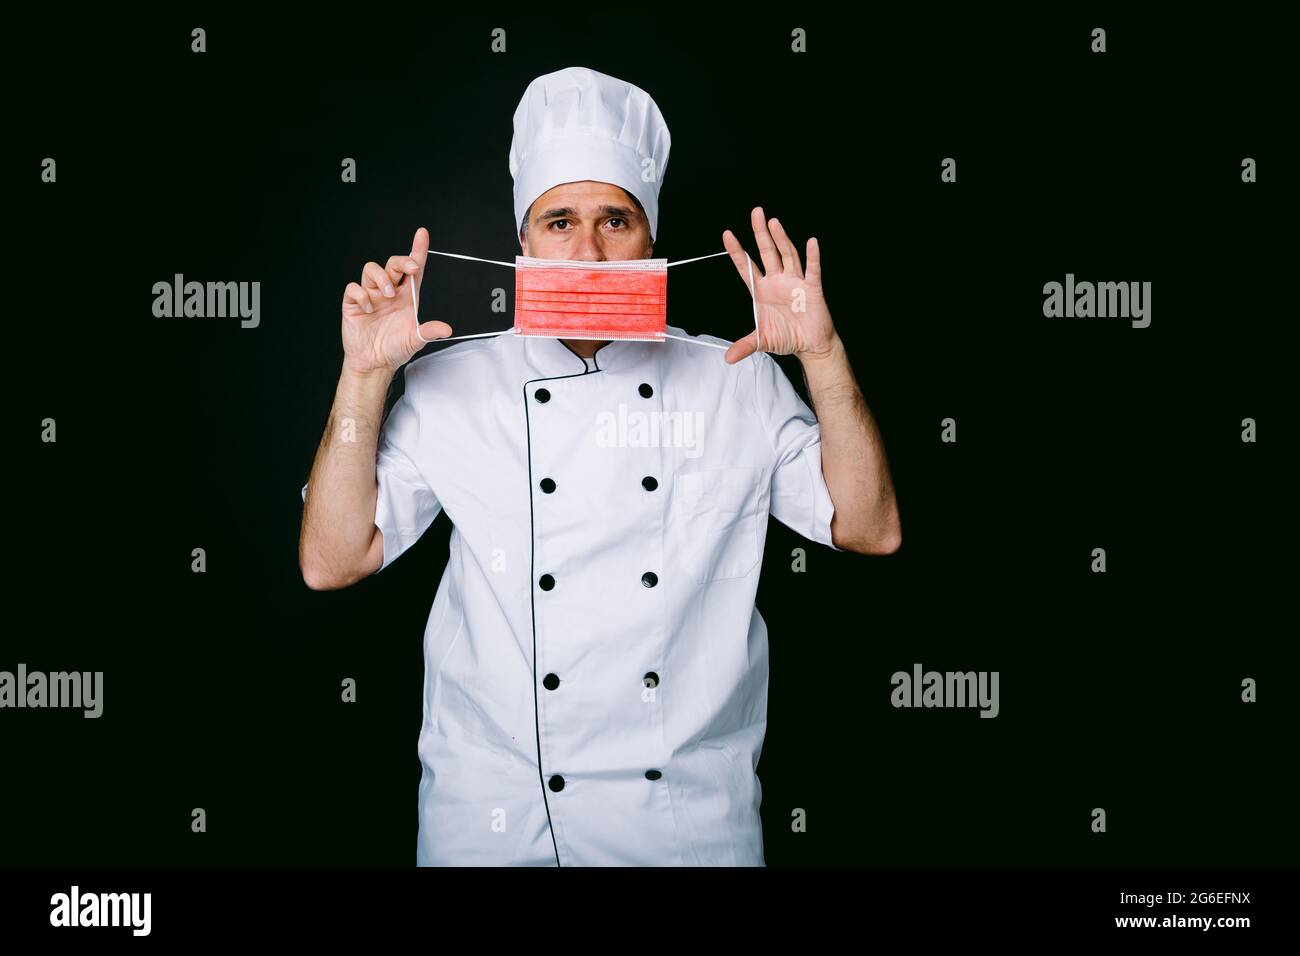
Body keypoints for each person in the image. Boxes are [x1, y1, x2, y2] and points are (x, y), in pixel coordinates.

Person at [299, 66, 900, 866]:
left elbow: (872, 529)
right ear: (523, 241)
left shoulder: (736, 378)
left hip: (685, 833)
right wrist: (363, 376)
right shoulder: (450, 382)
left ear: (653, 237)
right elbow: (331, 562)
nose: (587, 252)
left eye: (616, 220)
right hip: (491, 828)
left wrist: (821, 356)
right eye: (559, 222)